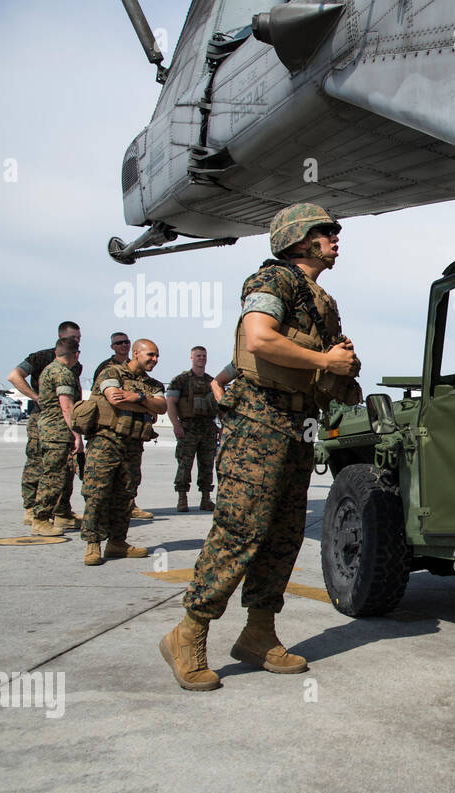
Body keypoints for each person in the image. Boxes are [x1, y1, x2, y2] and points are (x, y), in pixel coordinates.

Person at [160, 202, 361, 692]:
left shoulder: (322, 300)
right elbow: (260, 339)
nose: (336, 238)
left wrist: (343, 369)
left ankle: (258, 632)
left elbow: (327, 363)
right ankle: (189, 632)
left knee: (284, 532)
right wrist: (326, 361)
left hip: (297, 424)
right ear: (299, 239)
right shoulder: (273, 281)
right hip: (257, 421)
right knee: (241, 527)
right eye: (325, 232)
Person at [81, 339, 166, 566]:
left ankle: (117, 542)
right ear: (135, 353)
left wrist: (138, 397)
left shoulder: (152, 384)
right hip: (105, 441)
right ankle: (93, 543)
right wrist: (145, 406)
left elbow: (162, 406)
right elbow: (114, 399)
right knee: (97, 492)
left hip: (133, 444)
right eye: (150, 355)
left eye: (157, 356)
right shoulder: (111, 372)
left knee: (126, 494)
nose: (155, 360)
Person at [8, 321, 83, 526]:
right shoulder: (42, 358)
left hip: (63, 420)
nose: (77, 340)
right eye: (73, 337)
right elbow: (14, 376)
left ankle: (61, 510)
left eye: (78, 337)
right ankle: (32, 509)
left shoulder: (74, 363)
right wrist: (36, 397)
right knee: (38, 463)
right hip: (45, 419)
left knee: (66, 467)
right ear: (60, 336)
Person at [28, 338, 83, 536]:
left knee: (64, 475)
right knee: (54, 476)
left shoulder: (48, 369)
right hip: (58, 432)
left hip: (50, 430)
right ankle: (41, 518)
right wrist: (77, 435)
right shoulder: (63, 373)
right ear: (76, 355)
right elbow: (67, 407)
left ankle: (62, 514)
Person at [166, 346, 224, 512]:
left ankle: (206, 498)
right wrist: (176, 425)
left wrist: (221, 427)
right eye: (198, 356)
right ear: (191, 358)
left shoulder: (212, 382)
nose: (201, 358)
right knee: (185, 464)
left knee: (207, 465)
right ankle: (182, 498)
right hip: (188, 428)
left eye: (204, 356)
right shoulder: (181, 380)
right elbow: (171, 402)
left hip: (207, 428)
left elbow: (220, 406)